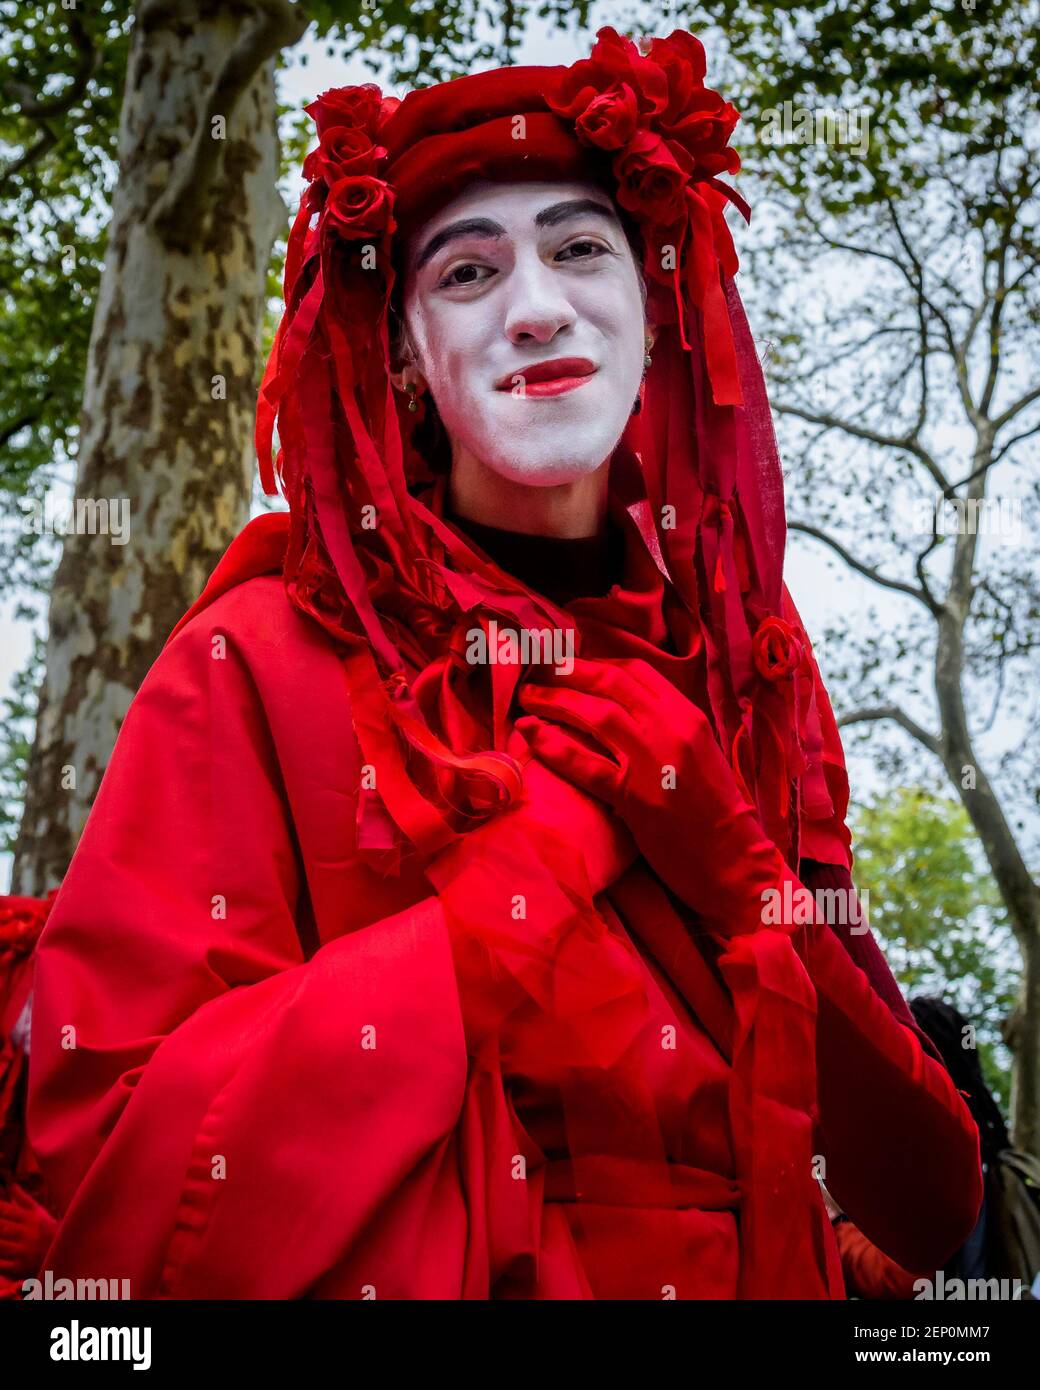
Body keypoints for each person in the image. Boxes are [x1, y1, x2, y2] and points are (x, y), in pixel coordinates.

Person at [24, 26, 983, 1299]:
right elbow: (118, 1194)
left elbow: (920, 1200)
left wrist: (745, 884)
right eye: (467, 274)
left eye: (581, 249)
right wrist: (526, 877)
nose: (536, 306)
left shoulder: (754, 679)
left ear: (654, 304)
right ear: (406, 356)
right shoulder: (252, 659)